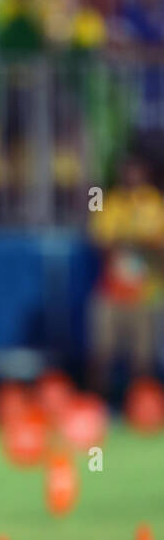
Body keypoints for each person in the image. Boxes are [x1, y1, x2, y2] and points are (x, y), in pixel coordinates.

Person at [88, 153, 164, 394]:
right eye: (126, 171)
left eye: (135, 171)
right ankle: (98, 405)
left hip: (145, 292)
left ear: (145, 174)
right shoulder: (104, 199)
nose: (131, 176)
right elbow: (100, 241)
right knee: (100, 352)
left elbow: (158, 244)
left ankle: (139, 406)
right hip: (110, 289)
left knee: (143, 357)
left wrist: (131, 241)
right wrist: (134, 241)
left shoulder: (155, 202)